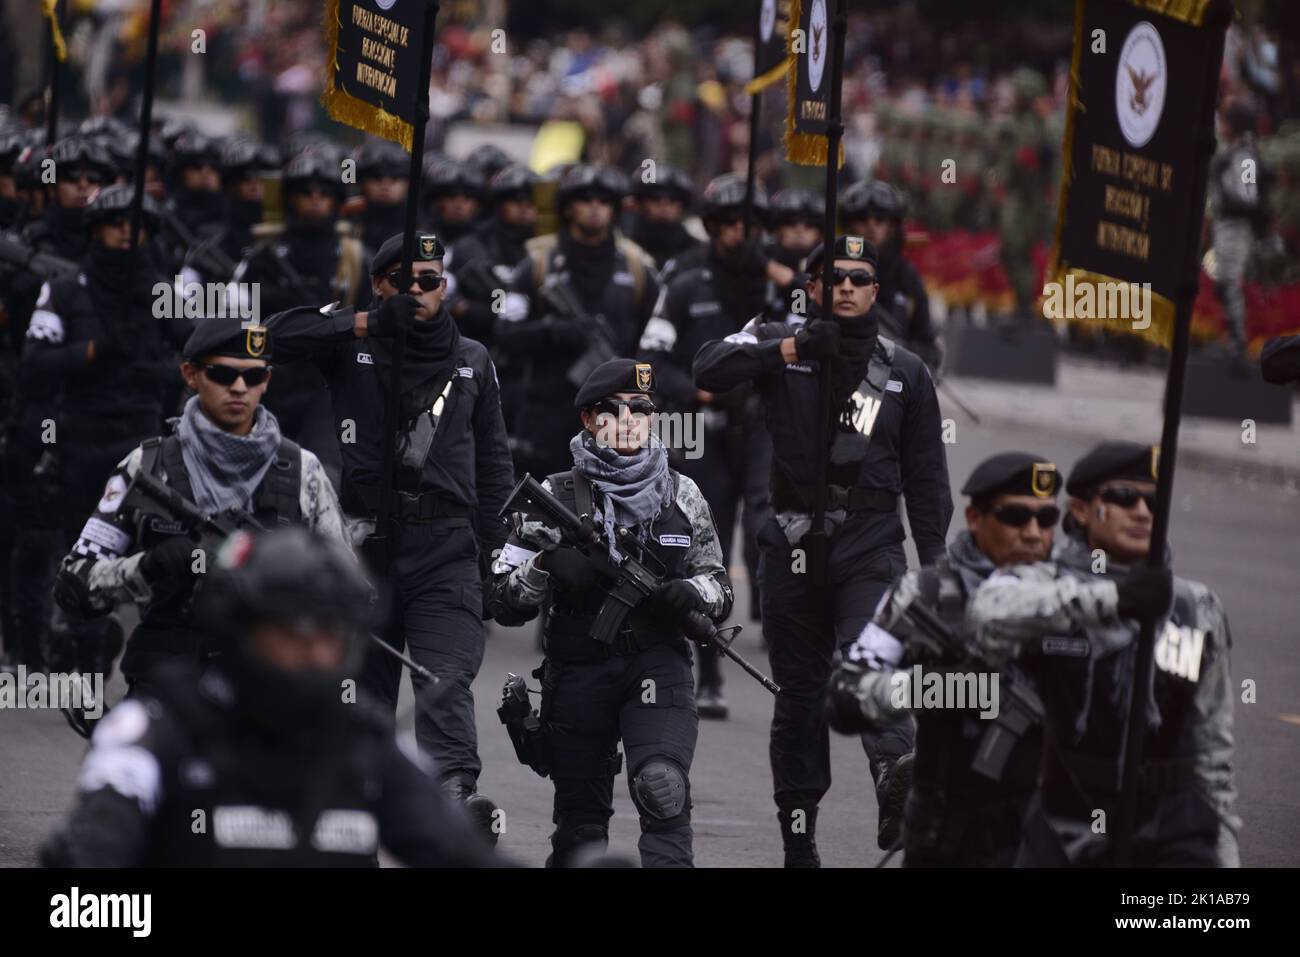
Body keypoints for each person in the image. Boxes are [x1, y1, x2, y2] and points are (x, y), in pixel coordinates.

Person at [694, 234, 952, 866]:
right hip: (791, 548)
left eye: (857, 279)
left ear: (875, 291)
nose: (843, 287)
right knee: (802, 697)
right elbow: (707, 369)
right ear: (809, 287)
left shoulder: (905, 369)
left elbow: (926, 479)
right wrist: (788, 347)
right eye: (829, 277)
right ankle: (799, 839)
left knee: (874, 668)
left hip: (871, 548)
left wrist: (938, 568)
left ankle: (896, 780)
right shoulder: (779, 338)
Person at [42, 526, 501, 867]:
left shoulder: (364, 740)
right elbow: (86, 882)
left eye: (331, 634)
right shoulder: (158, 728)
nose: (316, 653)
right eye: (296, 632)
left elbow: (456, 852)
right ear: (243, 629)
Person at [265, 231, 514, 833]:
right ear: (380, 284)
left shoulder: (474, 359)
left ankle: (453, 797)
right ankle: (356, 813)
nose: (421, 291)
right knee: (360, 693)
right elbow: (269, 337)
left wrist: (496, 552)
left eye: (431, 280)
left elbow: (495, 464)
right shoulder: (352, 341)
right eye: (406, 281)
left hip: (446, 549)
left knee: (444, 679)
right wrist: (364, 323)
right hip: (364, 550)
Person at [487, 359, 733, 867]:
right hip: (578, 666)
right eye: (612, 411)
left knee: (662, 788)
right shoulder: (553, 497)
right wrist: (544, 566)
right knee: (580, 829)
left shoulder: (682, 493)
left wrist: (693, 591)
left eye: (641, 409)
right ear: (588, 420)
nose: (628, 420)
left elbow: (720, 584)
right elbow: (501, 601)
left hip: (657, 663)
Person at [968, 441, 1240, 867]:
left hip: (1172, 830)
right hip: (1066, 822)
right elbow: (988, 617)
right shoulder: (1041, 585)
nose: (1142, 512)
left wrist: (1224, 855)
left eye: (1152, 501)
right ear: (1080, 510)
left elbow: (1213, 752)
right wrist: (1114, 598)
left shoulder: (1195, 607)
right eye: (1123, 497)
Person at [53, 318, 346, 705]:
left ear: (267, 381)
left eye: (253, 376)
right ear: (191, 375)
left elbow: (346, 590)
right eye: (223, 373)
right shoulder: (147, 466)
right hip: (167, 686)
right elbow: (74, 584)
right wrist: (147, 568)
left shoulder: (302, 471)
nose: (239, 387)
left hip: (270, 691)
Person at [828, 452, 1059, 866]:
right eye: (1015, 517)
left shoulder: (1075, 601)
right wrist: (946, 690)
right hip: (949, 830)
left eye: (1046, 520)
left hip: (1047, 830)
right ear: (974, 518)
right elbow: (846, 695)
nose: (1032, 533)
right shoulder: (928, 596)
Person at [21, 184, 184, 689]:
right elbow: (34, 367)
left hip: (143, 442)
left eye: (135, 228)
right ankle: (84, 646)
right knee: (86, 550)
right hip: (82, 439)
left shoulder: (161, 291)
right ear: (95, 230)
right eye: (115, 225)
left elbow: (196, 360)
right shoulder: (65, 290)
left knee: (164, 550)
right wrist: (90, 352)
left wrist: (150, 365)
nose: (124, 237)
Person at [638, 174, 786, 719]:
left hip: (766, 426)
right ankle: (711, 668)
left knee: (771, 528)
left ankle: (782, 639)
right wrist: (695, 388)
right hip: (702, 425)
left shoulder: (779, 285)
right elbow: (651, 357)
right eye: (726, 224)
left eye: (746, 225)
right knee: (706, 539)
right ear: (711, 227)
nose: (736, 235)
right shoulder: (684, 280)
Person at [497, 163, 660, 481]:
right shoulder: (536, 265)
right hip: (546, 412)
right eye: (586, 200)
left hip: (615, 418)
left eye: (604, 201)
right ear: (569, 208)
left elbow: (658, 342)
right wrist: (553, 333)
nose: (595, 208)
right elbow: (505, 331)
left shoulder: (640, 270)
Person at [838, 180, 941, 372]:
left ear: (892, 226)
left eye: (880, 219)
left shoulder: (907, 277)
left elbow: (926, 344)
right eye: (862, 219)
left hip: (890, 381)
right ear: (849, 226)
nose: (871, 226)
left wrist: (905, 355)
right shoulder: (829, 271)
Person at [1210, 101, 1271, 356]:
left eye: (1226, 121)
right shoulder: (1234, 151)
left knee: (1231, 284)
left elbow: (1248, 195)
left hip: (1237, 227)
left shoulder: (1245, 156)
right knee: (1223, 282)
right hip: (1224, 224)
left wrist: (1224, 184)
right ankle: (1231, 338)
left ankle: (1238, 341)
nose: (1222, 126)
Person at [624, 163, 697, 270]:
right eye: (655, 198)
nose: (664, 205)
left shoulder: (695, 251)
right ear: (640, 203)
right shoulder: (625, 248)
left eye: (673, 199)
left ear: (682, 205)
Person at [348, 137, 412, 252]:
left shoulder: (419, 226)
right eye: (377, 177)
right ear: (362, 182)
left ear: (407, 183)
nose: (385, 185)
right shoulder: (347, 222)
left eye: (395, 178)